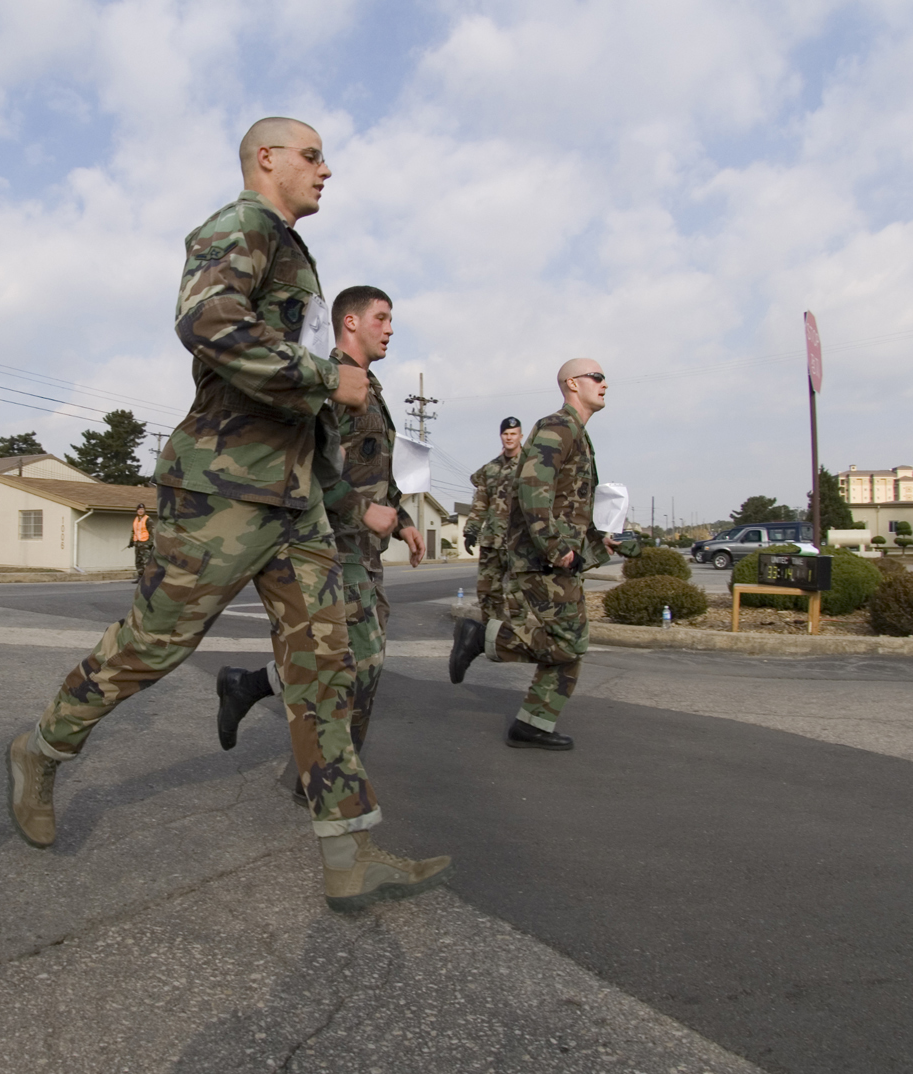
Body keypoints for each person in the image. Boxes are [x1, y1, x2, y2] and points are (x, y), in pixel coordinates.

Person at [6, 117, 451, 912]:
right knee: (153, 647)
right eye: (313, 156)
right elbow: (206, 320)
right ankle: (40, 750)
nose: (327, 169)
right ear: (267, 160)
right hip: (223, 488)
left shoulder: (292, 252)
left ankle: (348, 853)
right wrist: (323, 377)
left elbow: (304, 409)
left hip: (295, 500)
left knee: (327, 664)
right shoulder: (241, 223)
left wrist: (345, 492)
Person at [213, 285, 425, 790]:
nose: (390, 328)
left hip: (365, 550)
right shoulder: (325, 384)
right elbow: (303, 465)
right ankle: (331, 782)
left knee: (338, 661)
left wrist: (404, 518)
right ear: (350, 323)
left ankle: (246, 687)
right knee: (363, 662)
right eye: (382, 317)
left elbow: (378, 466)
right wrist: (359, 508)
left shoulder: (371, 388)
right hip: (327, 546)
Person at [447, 359, 637, 750]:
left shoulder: (577, 435)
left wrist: (601, 541)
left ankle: (533, 723)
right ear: (572, 383)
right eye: (597, 377)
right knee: (569, 643)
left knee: (571, 644)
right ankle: (482, 637)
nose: (604, 384)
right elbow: (533, 490)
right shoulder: (557, 427)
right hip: (543, 558)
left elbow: (570, 507)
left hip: (560, 556)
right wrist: (556, 549)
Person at [462, 418, 522, 621]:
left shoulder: (531, 466)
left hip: (519, 542)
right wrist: (471, 530)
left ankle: (517, 642)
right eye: (506, 434)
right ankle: (493, 639)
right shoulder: (491, 469)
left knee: (518, 597)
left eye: (513, 434)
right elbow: (480, 501)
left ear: (521, 437)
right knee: (487, 594)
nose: (509, 437)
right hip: (492, 542)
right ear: (501, 436)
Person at [129, 503, 153, 576]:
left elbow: (152, 532)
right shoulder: (136, 519)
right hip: (137, 544)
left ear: (144, 510)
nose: (140, 511)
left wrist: (150, 543)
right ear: (137, 511)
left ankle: (148, 578)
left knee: (146, 561)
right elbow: (133, 531)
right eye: (139, 509)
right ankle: (140, 577)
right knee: (138, 562)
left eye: (142, 509)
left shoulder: (147, 519)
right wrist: (131, 541)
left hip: (145, 544)